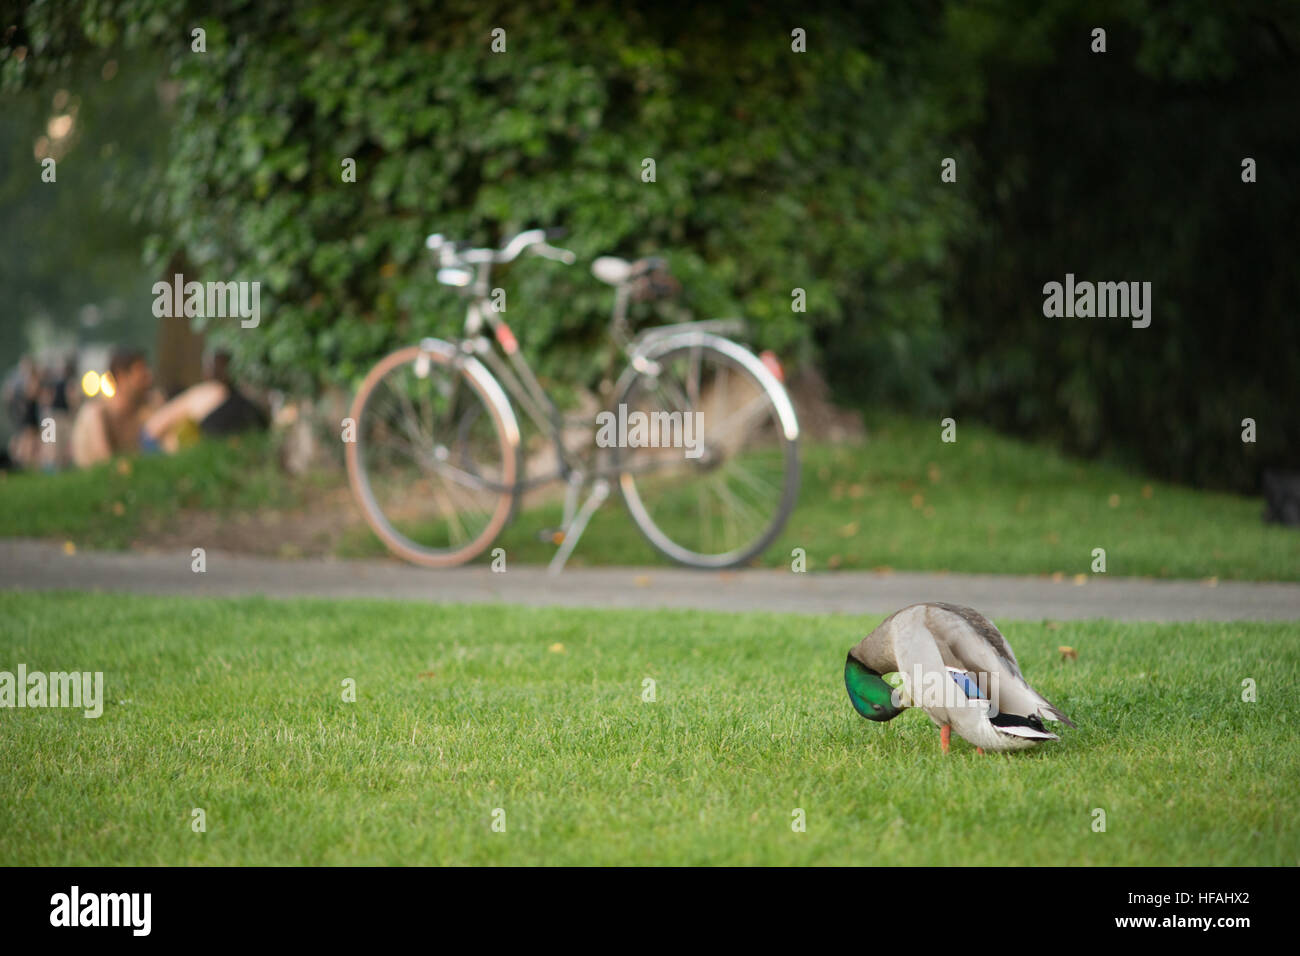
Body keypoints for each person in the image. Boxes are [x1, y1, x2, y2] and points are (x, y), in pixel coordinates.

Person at [70, 348, 157, 467]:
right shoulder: (95, 414)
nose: (149, 379)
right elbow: (107, 465)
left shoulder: (142, 412)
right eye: (141, 373)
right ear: (121, 376)